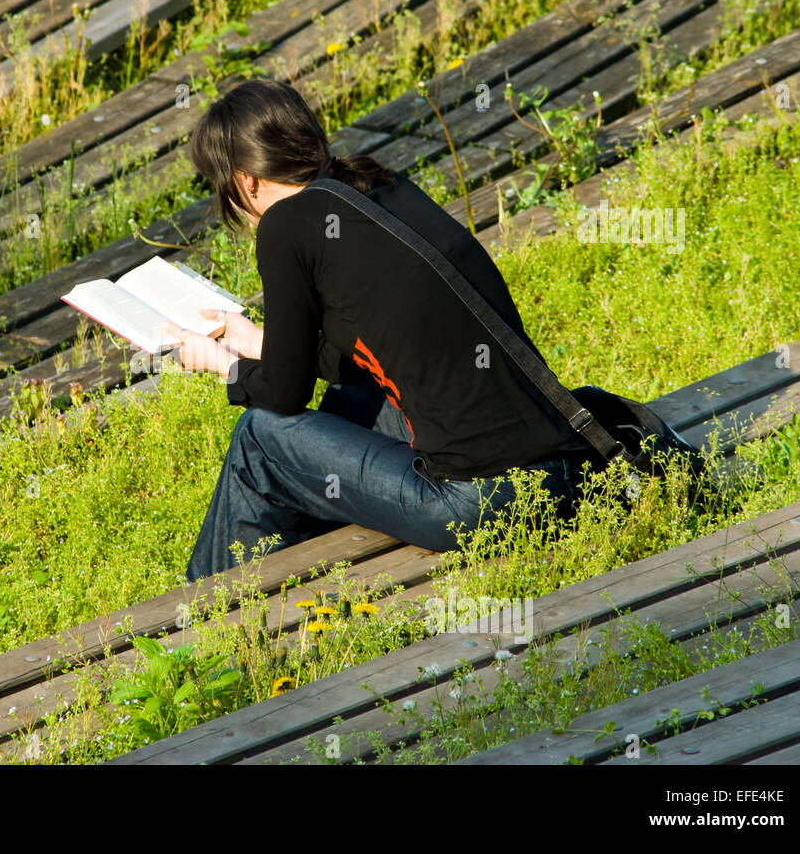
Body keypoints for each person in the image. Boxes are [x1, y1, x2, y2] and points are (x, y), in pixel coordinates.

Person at [161, 78, 595, 582]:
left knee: (258, 437)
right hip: (562, 468)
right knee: (354, 398)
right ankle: (297, 573)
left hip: (473, 502)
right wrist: (256, 339)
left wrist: (222, 364)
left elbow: (282, 396)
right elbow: (369, 344)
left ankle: (207, 621)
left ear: (246, 181)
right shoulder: (377, 184)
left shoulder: (285, 225)